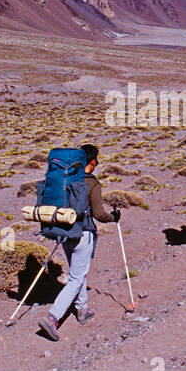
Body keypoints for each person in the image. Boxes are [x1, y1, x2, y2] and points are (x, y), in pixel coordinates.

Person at [41, 144, 117, 341]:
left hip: (64, 231)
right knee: (76, 277)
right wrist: (114, 217)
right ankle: (53, 317)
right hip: (83, 234)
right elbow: (99, 214)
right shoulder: (92, 184)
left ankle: (82, 310)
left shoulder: (67, 180)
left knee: (77, 272)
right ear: (92, 162)